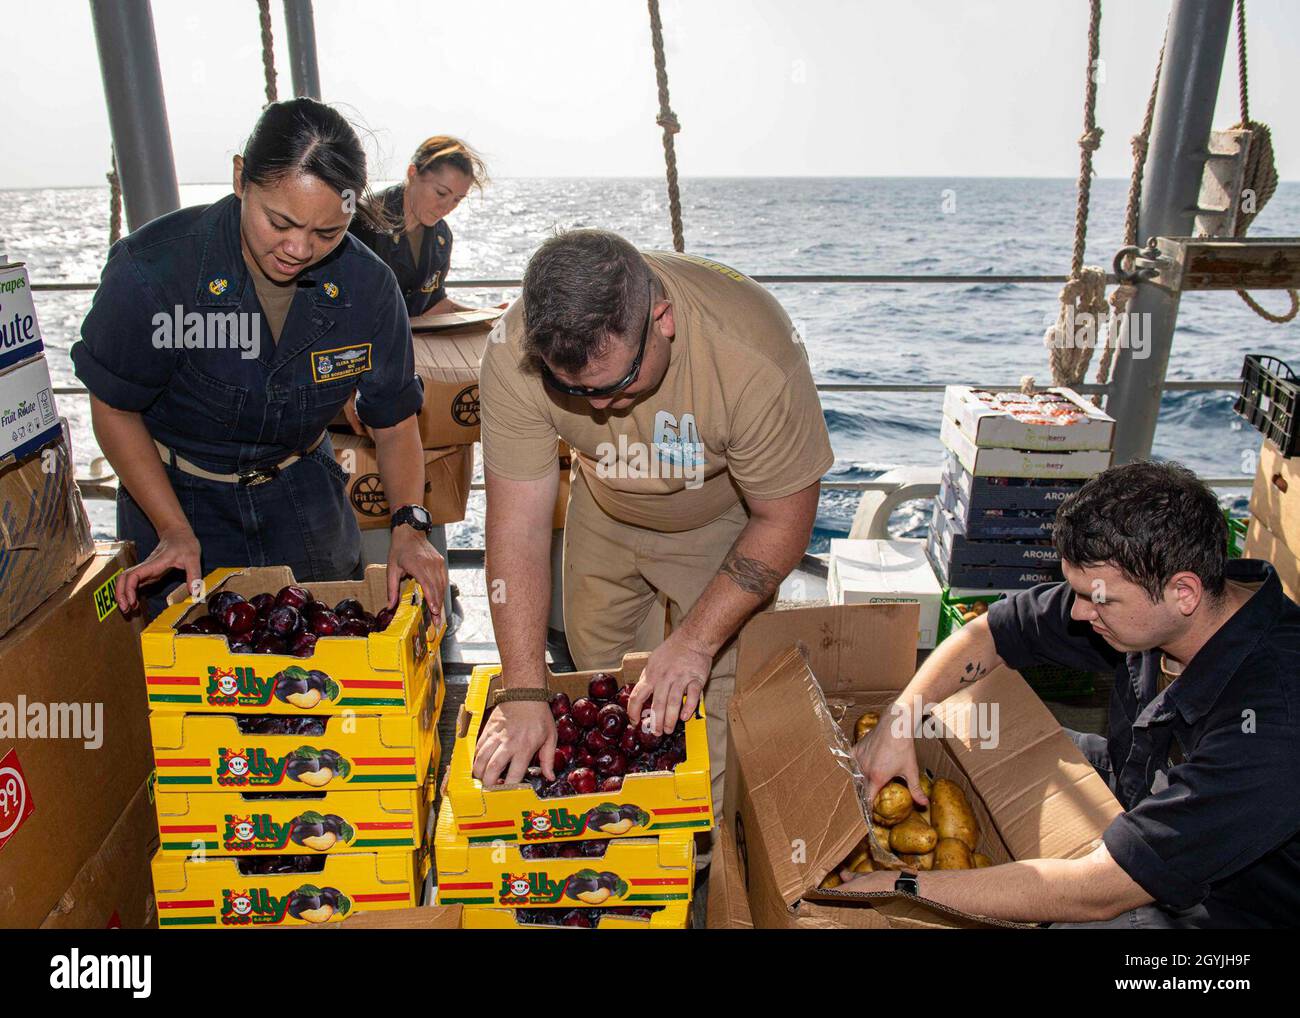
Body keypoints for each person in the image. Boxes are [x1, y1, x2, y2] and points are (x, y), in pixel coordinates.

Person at [845, 461, 1300, 928]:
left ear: (1183, 591)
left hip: (1227, 907)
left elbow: (1098, 892)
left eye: (1098, 598)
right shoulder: (1153, 604)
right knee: (984, 730)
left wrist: (903, 886)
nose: (1079, 612)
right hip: (1141, 778)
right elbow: (989, 634)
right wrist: (896, 727)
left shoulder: (1274, 723)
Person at [473, 229, 834, 818]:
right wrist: (523, 687)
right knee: (600, 685)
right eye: (571, 390)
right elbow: (518, 529)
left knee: (712, 701)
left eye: (614, 385)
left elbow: (784, 517)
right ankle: (614, 843)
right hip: (603, 507)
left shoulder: (753, 353)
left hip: (723, 521)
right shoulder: (514, 350)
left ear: (661, 319)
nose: (595, 407)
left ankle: (688, 866)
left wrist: (693, 643)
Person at [72, 98, 447, 620]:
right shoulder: (153, 271)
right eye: (280, 222)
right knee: (184, 680)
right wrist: (173, 529)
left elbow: (394, 420)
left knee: (329, 668)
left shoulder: (370, 287)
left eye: (326, 234)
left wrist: (410, 525)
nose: (298, 249)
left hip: (303, 500)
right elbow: (113, 407)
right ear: (240, 177)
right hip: (173, 498)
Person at [349, 135, 487, 320]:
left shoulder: (443, 236)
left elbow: (434, 304)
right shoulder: (364, 220)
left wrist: (488, 317)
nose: (447, 207)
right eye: (441, 193)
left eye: (457, 199)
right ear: (412, 173)